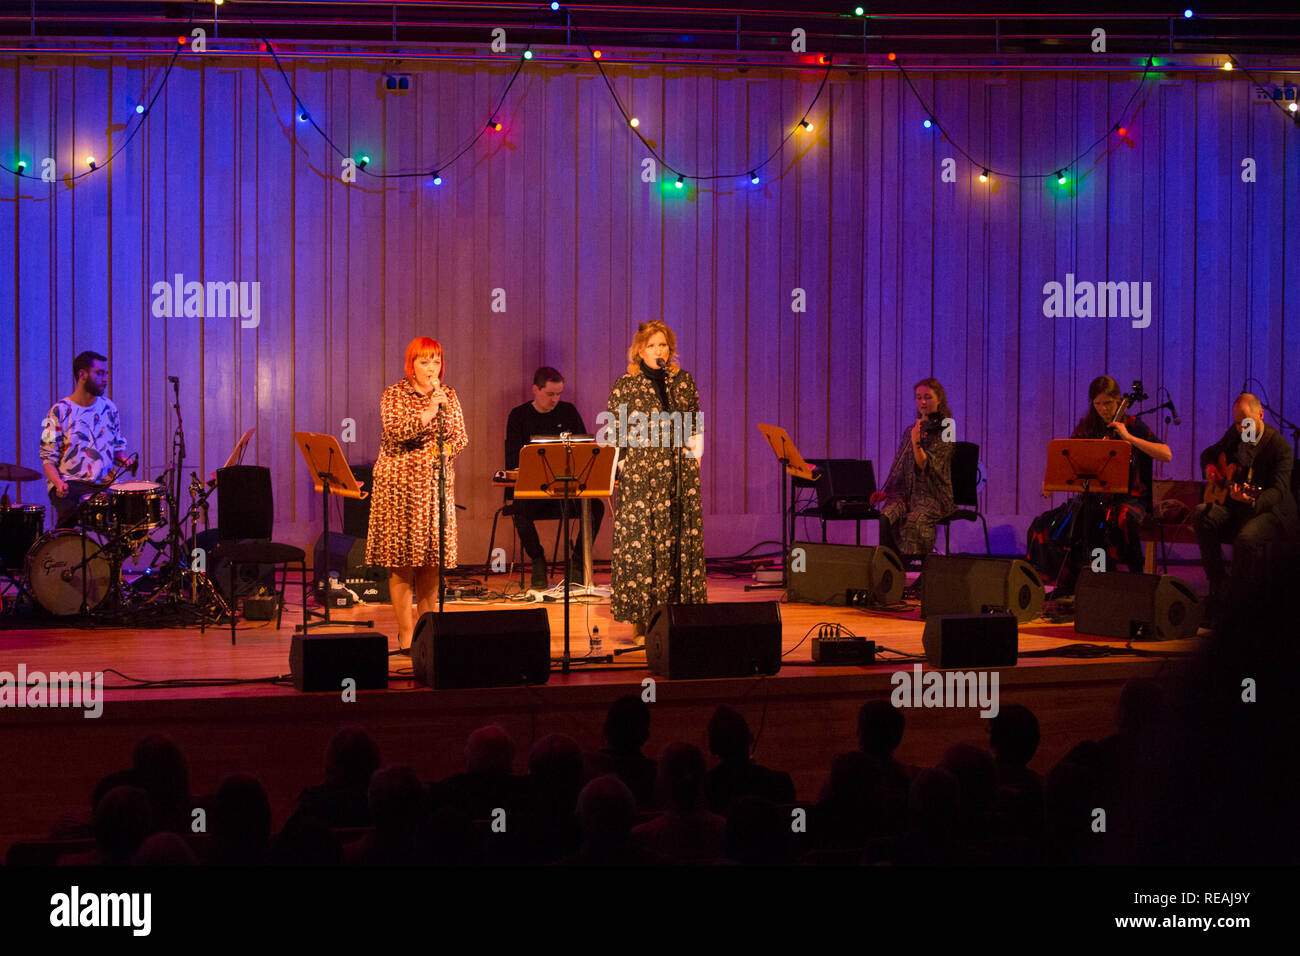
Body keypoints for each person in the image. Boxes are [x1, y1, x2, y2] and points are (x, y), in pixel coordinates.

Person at [365, 337, 468, 651]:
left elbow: (461, 436)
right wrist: (429, 409)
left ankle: (427, 633)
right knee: (402, 561)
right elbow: (397, 430)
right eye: (425, 362)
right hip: (399, 489)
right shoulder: (394, 394)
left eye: (436, 361)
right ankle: (406, 634)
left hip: (434, 487)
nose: (431, 368)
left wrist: (445, 450)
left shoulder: (448, 394)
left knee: (430, 562)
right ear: (412, 364)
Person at [604, 321, 706, 637]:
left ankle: (679, 618)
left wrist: (693, 461)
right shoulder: (626, 385)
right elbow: (613, 434)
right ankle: (641, 620)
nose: (658, 351)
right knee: (643, 548)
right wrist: (621, 470)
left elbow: (695, 426)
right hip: (642, 477)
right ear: (639, 350)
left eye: (662, 345)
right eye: (651, 346)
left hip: (677, 476)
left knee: (676, 545)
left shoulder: (682, 382)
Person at [1193, 393, 1296, 617]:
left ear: (1260, 415)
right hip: (1237, 506)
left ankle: (1239, 603)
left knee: (1246, 539)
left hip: (1270, 511)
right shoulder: (1236, 433)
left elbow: (1278, 492)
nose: (1242, 428)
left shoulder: (1280, 446)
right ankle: (1219, 587)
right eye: (1238, 423)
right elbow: (1209, 453)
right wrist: (1210, 468)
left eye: (1246, 422)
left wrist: (1252, 499)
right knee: (1202, 514)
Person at [504, 366, 604, 590]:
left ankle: (577, 563)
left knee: (596, 508)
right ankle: (537, 560)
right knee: (519, 509)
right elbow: (512, 458)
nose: (555, 400)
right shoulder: (518, 416)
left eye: (559, 394)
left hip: (565, 491)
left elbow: (585, 448)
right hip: (535, 492)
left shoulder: (568, 411)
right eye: (550, 394)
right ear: (535, 390)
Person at [39, 350, 135, 528]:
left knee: (130, 521)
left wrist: (122, 458)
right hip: (70, 483)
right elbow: (47, 460)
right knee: (69, 520)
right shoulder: (58, 411)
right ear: (82, 374)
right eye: (99, 373)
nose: (105, 378)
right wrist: (58, 483)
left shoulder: (109, 408)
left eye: (106, 373)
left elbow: (116, 449)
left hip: (103, 484)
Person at [869, 377, 955, 569]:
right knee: (886, 516)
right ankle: (888, 568)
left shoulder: (947, 428)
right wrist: (886, 491)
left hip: (934, 495)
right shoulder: (912, 429)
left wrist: (917, 441)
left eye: (928, 397)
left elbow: (925, 464)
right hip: (907, 493)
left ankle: (918, 570)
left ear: (939, 399)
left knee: (914, 520)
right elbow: (900, 465)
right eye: (918, 397)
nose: (923, 402)